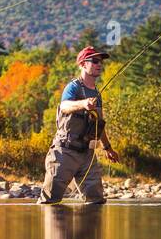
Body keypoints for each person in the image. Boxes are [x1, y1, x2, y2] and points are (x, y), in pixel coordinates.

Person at [39, 46, 120, 205]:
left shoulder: (97, 94)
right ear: (83, 64)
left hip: (87, 155)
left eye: (101, 62)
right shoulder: (73, 87)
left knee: (96, 201)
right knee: (49, 202)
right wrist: (83, 104)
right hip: (64, 152)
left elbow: (99, 125)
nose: (99, 64)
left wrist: (108, 148)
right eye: (95, 61)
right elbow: (65, 106)